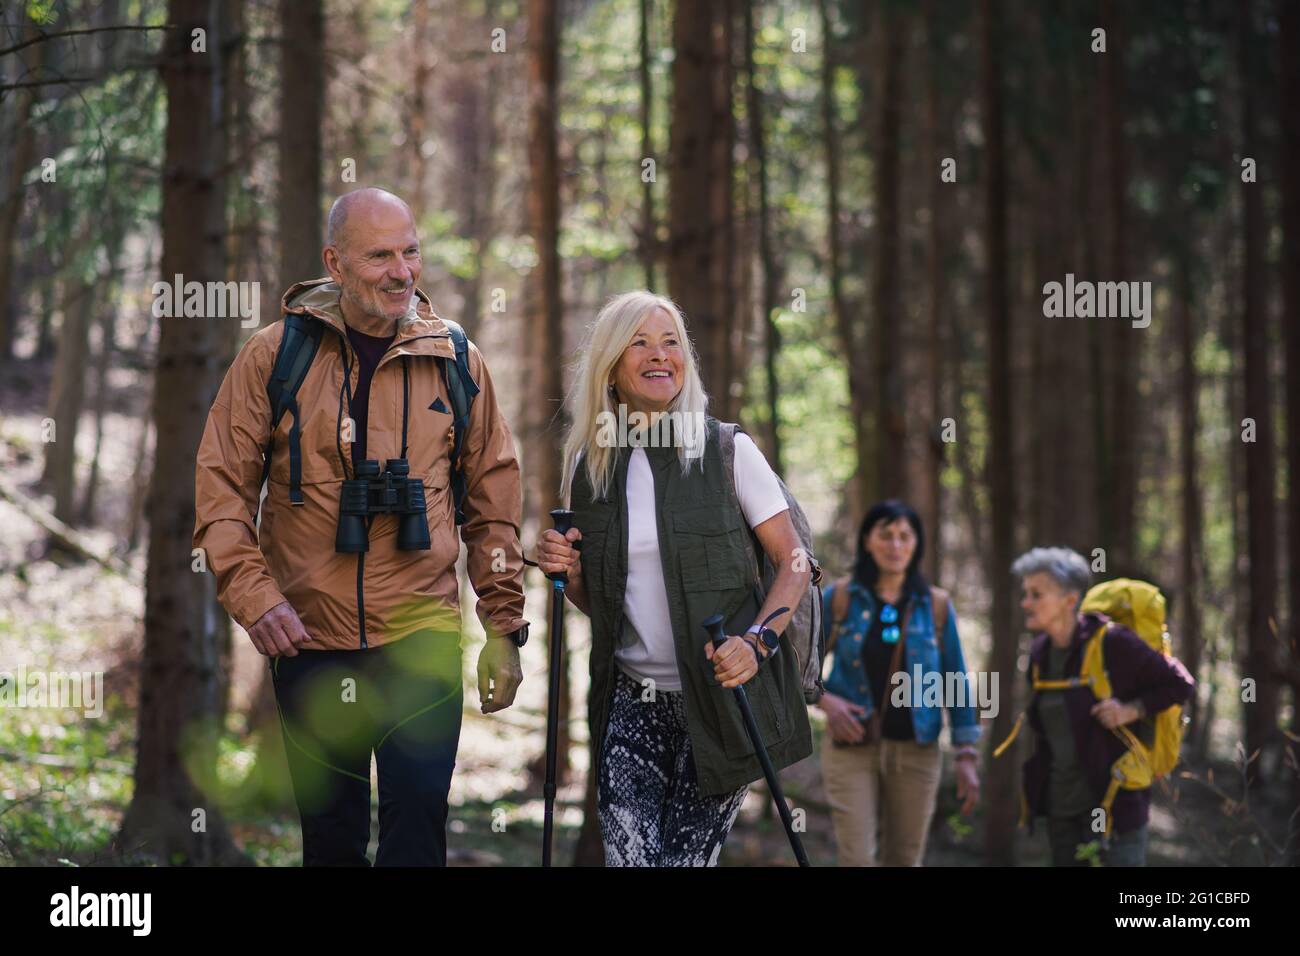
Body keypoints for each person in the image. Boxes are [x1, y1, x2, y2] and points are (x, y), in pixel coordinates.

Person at [194, 187, 529, 866]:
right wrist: (255, 597)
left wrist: (504, 626)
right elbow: (222, 490)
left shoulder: (457, 360)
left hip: (422, 639)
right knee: (334, 842)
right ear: (335, 262)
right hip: (312, 640)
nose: (401, 271)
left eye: (410, 251)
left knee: (415, 839)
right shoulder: (275, 356)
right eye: (379, 255)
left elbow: (493, 507)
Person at [535, 290, 813, 866]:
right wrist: (566, 571)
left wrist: (757, 643)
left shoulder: (727, 451)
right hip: (631, 702)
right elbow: (600, 601)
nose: (660, 355)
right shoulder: (592, 466)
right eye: (639, 342)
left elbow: (796, 564)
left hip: (721, 705)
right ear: (611, 367)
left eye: (670, 342)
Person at [816, 499, 982, 866]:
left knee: (904, 859)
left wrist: (966, 753)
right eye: (885, 535)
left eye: (905, 537)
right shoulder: (841, 599)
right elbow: (798, 664)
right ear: (867, 542)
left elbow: (955, 679)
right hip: (852, 748)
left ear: (916, 544)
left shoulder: (935, 605)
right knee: (857, 858)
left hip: (917, 751)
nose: (895, 545)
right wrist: (825, 700)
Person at [1010, 547, 1195, 866]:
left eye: (1036, 594)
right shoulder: (1040, 654)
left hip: (1116, 810)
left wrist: (1132, 709)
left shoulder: (1114, 643)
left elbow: (1180, 683)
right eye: (1025, 593)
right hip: (1062, 812)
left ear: (1070, 600)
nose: (1026, 602)